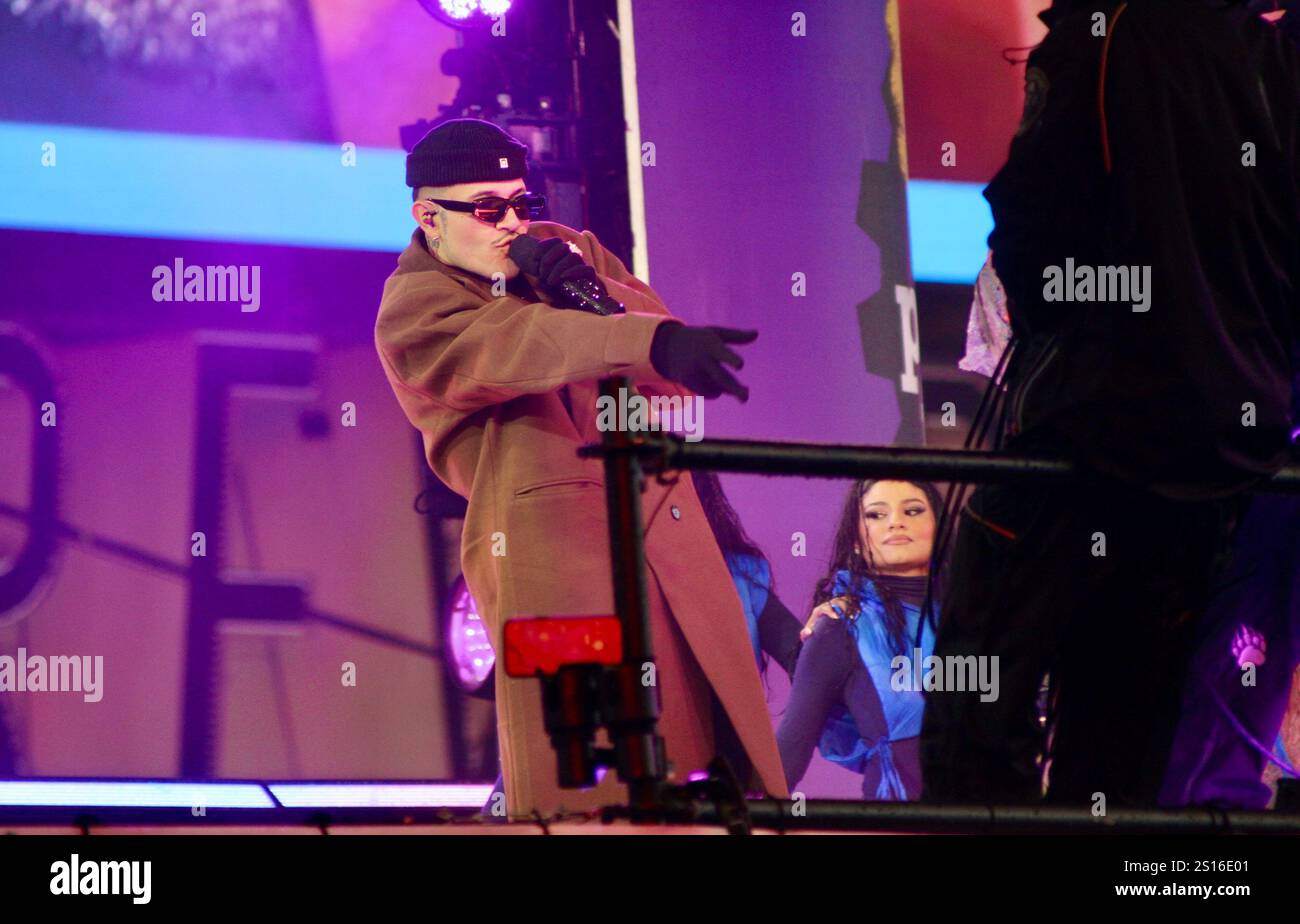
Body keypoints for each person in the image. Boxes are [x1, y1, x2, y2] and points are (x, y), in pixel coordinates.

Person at [921, 0, 1300, 806]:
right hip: (1216, 462)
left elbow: (1032, 213)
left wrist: (1062, 316)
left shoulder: (1109, 32)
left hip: (1083, 431)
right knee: (1124, 740)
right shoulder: (1267, 50)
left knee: (975, 704)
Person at [374, 118, 788, 818]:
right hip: (554, 556)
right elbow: (516, 345)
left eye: (521, 204)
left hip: (661, 530)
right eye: (487, 209)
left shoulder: (567, 250)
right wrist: (622, 331)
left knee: (714, 767)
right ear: (428, 218)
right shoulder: (414, 305)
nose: (512, 223)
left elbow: (665, 364)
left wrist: (598, 301)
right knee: (594, 787)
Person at [777, 479, 944, 801]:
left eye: (912, 510)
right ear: (855, 541)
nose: (896, 521)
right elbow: (785, 761)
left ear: (941, 528)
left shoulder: (976, 618)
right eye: (876, 515)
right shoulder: (840, 628)